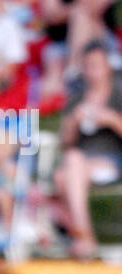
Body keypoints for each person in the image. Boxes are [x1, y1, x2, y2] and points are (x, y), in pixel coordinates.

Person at [54, 38, 122, 256]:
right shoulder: (76, 99)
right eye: (88, 66)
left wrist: (112, 120)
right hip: (80, 164)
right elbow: (65, 143)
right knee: (67, 169)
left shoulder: (118, 95)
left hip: (111, 160)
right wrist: (73, 123)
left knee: (65, 174)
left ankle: (82, 238)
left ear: (108, 66)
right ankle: (86, 240)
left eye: (97, 65)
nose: (93, 72)